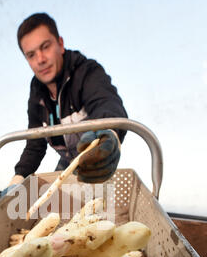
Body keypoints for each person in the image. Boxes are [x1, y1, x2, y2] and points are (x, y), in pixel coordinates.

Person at [8, 12, 128, 187]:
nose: (40, 59)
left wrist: (108, 135)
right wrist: (17, 179)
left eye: (45, 47)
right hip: (67, 164)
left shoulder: (87, 73)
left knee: (100, 208)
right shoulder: (36, 95)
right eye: (31, 55)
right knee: (55, 205)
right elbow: (35, 145)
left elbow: (107, 105)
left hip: (94, 162)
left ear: (61, 44)